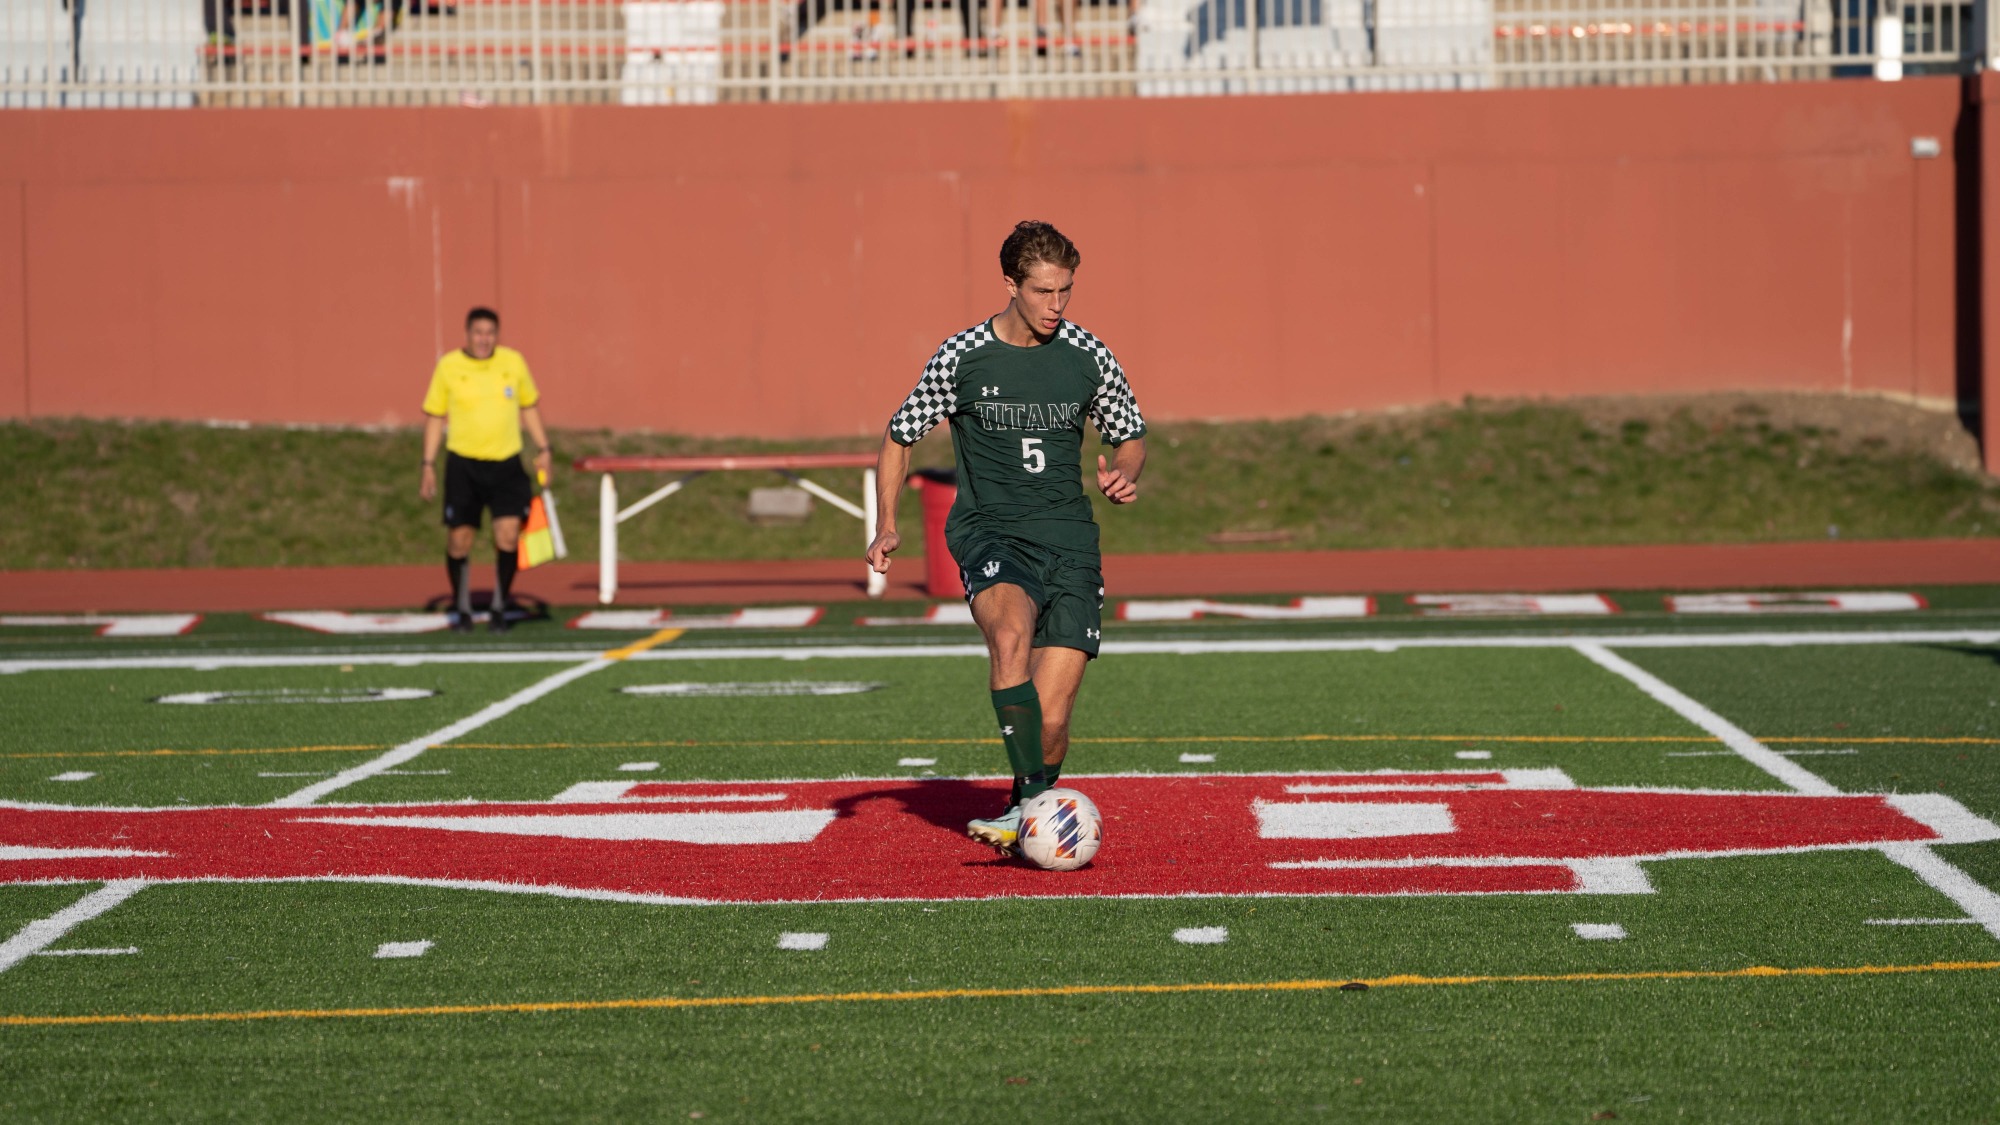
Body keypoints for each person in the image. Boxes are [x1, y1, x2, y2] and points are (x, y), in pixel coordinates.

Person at [866, 220, 1147, 854]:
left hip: (1071, 544)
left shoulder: (1088, 354)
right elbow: (898, 436)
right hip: (991, 533)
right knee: (1011, 635)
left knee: (1049, 725)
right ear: (1011, 285)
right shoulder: (962, 355)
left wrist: (1124, 472)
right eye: (1045, 291)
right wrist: (886, 522)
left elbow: (1129, 434)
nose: (1056, 306)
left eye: (1066, 291)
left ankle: (1029, 801)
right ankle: (1025, 806)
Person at [418, 307, 553, 634]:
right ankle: (462, 608)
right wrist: (428, 464)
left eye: (490, 333)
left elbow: (529, 406)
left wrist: (544, 448)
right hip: (464, 464)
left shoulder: (512, 362)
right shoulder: (449, 367)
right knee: (459, 539)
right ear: (467, 334)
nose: (484, 339)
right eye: (478, 333)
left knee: (507, 536)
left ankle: (498, 606)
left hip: (506, 462)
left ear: (497, 335)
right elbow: (435, 416)